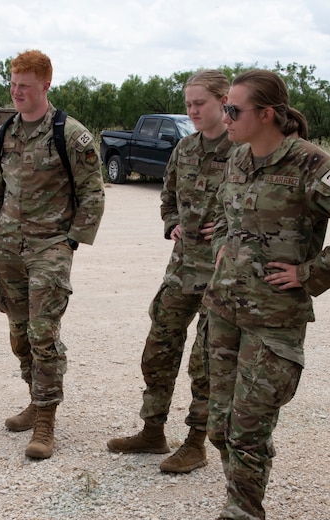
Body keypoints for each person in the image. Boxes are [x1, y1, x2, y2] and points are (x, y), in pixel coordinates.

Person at [197, 69, 330, 520]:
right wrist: (221, 255)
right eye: (225, 109)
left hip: (273, 321)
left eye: (234, 111)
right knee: (217, 425)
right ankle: (244, 506)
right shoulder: (237, 157)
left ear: (267, 115)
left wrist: (311, 273)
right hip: (225, 311)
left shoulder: (310, 165)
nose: (225, 118)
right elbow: (229, 218)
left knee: (249, 428)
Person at [107, 70, 234, 475]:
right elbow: (168, 196)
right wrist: (171, 223)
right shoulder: (185, 149)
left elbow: (260, 208)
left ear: (224, 100)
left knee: (206, 359)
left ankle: (196, 442)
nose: (193, 111)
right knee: (159, 345)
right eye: (189, 105)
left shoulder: (244, 152)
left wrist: (230, 227)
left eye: (200, 103)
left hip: (222, 273)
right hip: (182, 267)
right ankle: (152, 430)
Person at [0, 50, 106, 460]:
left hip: (50, 248)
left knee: (42, 333)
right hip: (9, 250)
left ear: (45, 85)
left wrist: (71, 241)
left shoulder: (69, 134)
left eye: (25, 85)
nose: (17, 91)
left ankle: (46, 421)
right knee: (19, 334)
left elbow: (92, 193)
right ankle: (34, 397)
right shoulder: (2, 136)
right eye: (13, 84)